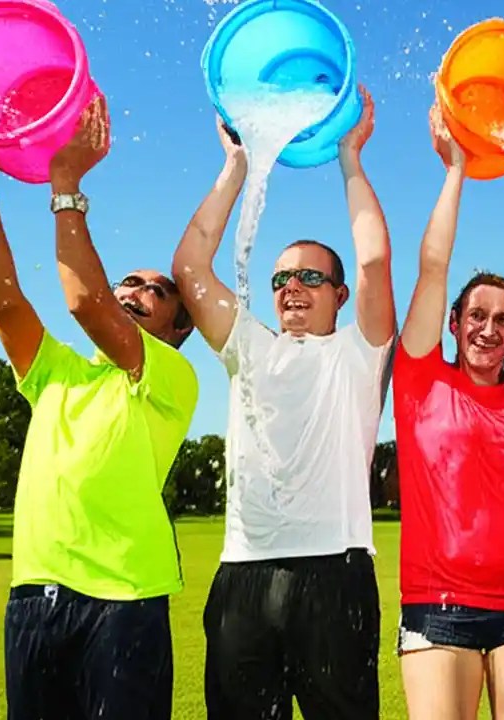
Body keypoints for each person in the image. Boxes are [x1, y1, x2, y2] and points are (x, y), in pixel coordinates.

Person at [0, 96, 198, 719]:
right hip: (33, 597)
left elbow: (87, 303)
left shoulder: (169, 374)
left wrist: (66, 184)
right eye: (129, 284)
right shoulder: (57, 368)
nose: (137, 292)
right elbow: (5, 302)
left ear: (175, 328)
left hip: (125, 603)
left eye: (156, 290)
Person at [171, 86, 395, 719]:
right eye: (280, 279)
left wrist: (351, 158)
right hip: (242, 575)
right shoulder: (249, 347)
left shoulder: (359, 353)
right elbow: (190, 268)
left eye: (310, 276)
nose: (292, 286)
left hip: (335, 575)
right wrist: (235, 167)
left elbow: (376, 258)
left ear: (340, 293)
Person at [390, 110, 504, 720]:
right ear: (455, 325)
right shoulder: (419, 379)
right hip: (438, 606)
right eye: (477, 317)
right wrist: (456, 171)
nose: (489, 329)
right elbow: (433, 267)